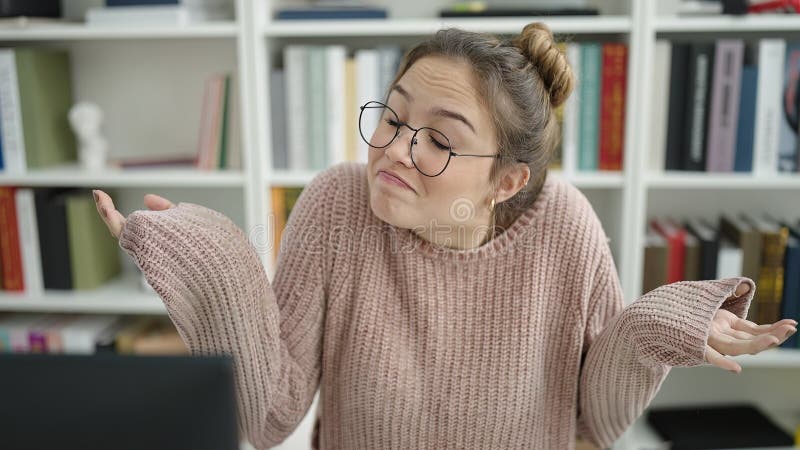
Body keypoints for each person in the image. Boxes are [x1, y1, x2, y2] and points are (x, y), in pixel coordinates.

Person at [92, 22, 797, 450]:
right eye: (394, 119)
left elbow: (598, 424)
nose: (396, 150)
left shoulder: (565, 227)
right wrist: (220, 270)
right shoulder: (338, 203)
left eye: (438, 140)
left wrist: (648, 329)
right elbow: (272, 419)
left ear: (507, 182)